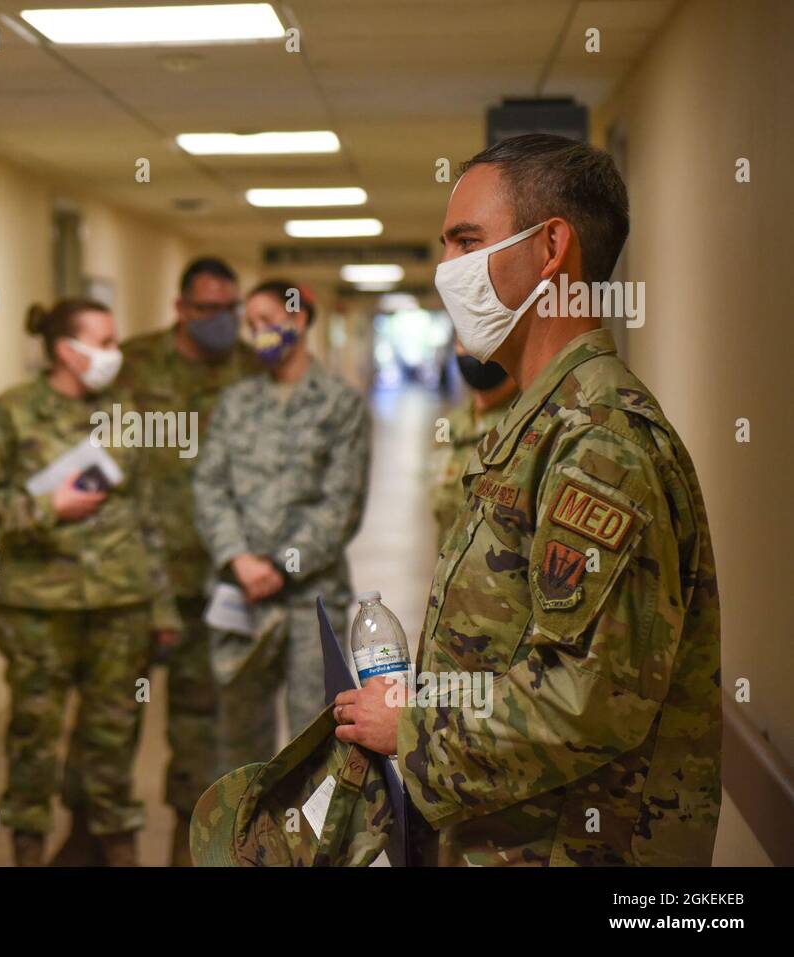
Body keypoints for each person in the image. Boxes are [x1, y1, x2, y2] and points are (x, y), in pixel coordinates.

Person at [332, 133, 721, 866]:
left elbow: (589, 700)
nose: (447, 270)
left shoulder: (599, 441)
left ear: (551, 250)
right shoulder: (540, 422)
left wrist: (414, 727)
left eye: (466, 241)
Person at [53, 257, 259, 867]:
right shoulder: (132, 366)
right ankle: (90, 841)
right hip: (132, 580)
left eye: (229, 309)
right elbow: (79, 446)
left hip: (220, 582)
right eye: (206, 309)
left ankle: (191, 847)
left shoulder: (253, 371)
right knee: (108, 723)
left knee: (203, 729)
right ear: (180, 309)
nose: (219, 321)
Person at [0, 298, 180, 867]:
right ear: (68, 350)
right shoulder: (12, 414)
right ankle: (28, 852)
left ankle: (118, 852)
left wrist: (162, 607)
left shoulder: (123, 414)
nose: (116, 354)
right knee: (34, 742)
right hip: (36, 609)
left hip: (122, 605)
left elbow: (147, 514)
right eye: (107, 342)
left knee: (113, 744)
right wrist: (48, 508)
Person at [193, 279, 370, 774]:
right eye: (251, 326)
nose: (259, 333)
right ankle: (243, 847)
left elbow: (341, 504)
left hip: (309, 599)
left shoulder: (340, 404)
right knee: (238, 744)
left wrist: (279, 566)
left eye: (268, 321)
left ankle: (306, 850)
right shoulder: (236, 402)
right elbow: (210, 486)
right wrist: (239, 559)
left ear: (299, 319)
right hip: (241, 596)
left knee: (313, 743)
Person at [428, 342, 518, 543]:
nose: (471, 349)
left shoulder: (527, 426)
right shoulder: (451, 427)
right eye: (461, 342)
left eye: (480, 339)